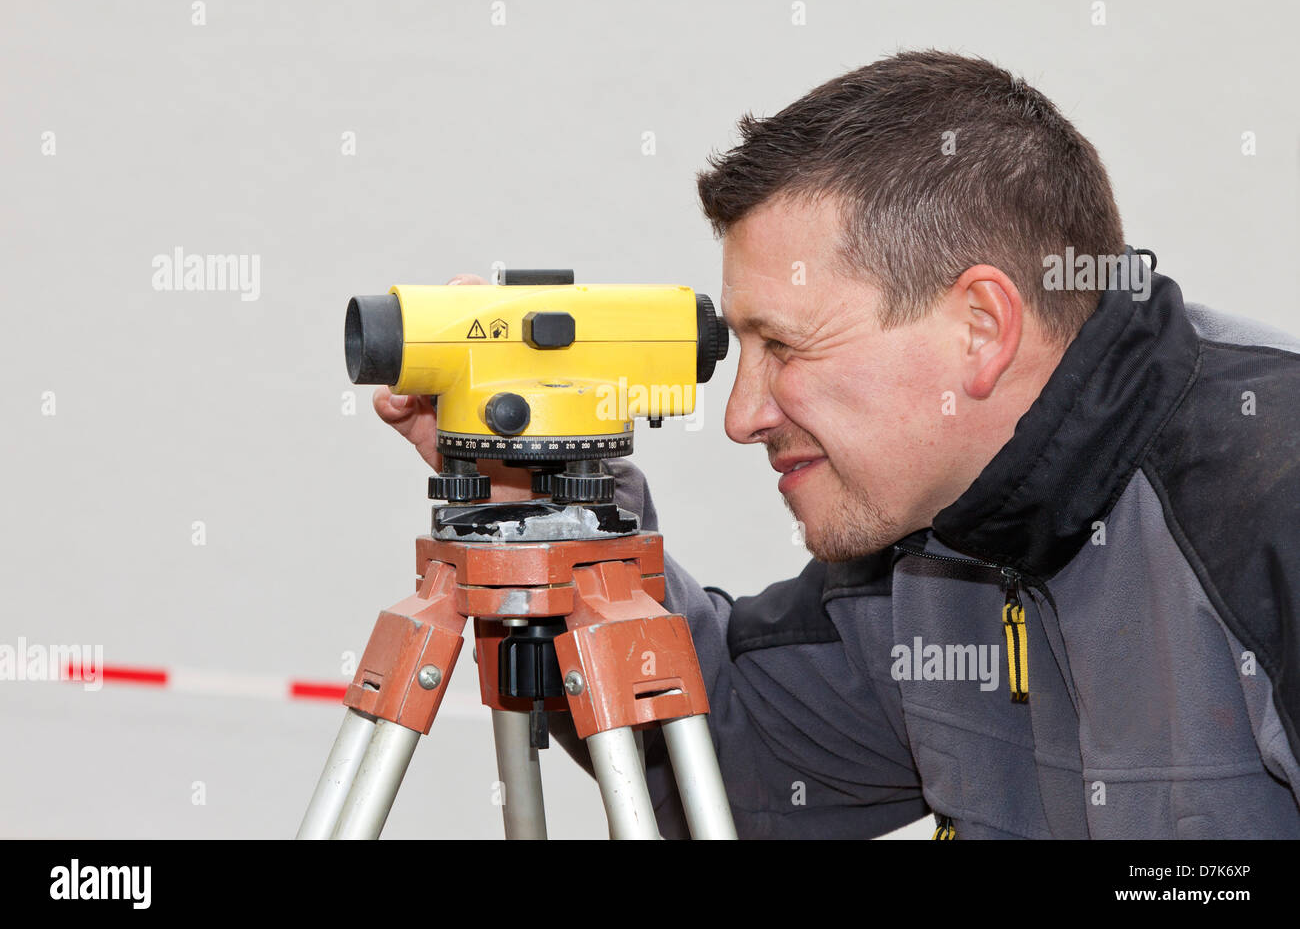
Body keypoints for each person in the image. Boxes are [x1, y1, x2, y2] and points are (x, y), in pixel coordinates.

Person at [375, 50, 1300, 838]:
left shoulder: (1268, 503)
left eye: (783, 345)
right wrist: (548, 506)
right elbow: (740, 756)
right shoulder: (940, 531)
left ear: (981, 327)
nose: (741, 416)